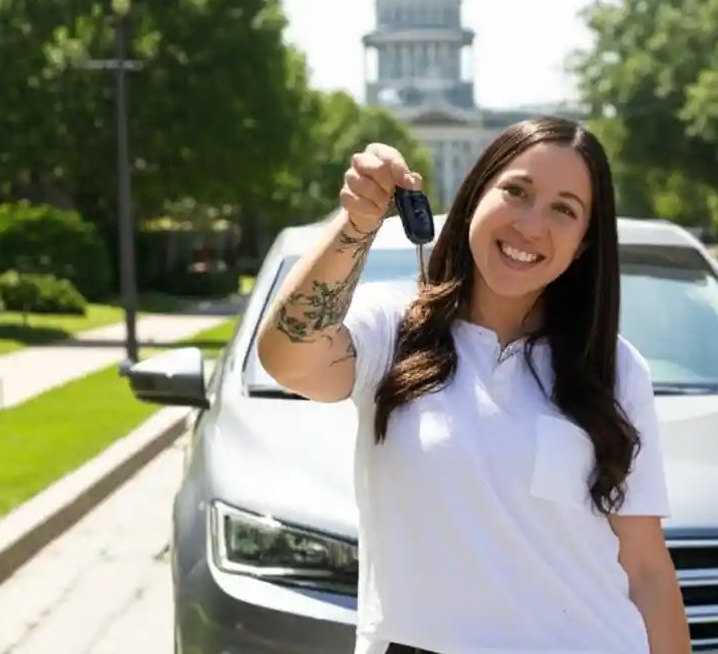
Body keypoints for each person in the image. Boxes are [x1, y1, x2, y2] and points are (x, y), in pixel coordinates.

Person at [256, 116, 691, 654]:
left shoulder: (615, 368)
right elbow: (287, 357)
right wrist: (357, 223)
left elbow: (646, 568)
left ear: (582, 244)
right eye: (517, 190)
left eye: (564, 209)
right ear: (476, 193)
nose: (532, 225)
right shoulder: (393, 328)